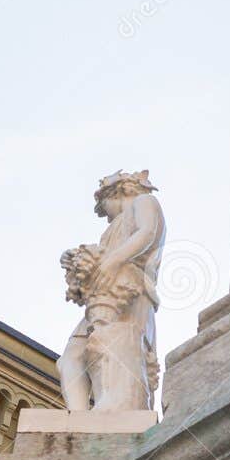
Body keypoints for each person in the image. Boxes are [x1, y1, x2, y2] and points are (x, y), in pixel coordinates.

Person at [58, 170, 165, 412]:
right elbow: (100, 256)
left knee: (111, 347)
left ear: (118, 192)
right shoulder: (117, 224)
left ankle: (114, 406)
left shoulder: (144, 201)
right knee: (72, 356)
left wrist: (113, 260)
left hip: (130, 290)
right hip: (106, 290)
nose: (104, 217)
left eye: (103, 207)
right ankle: (77, 418)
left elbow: (146, 232)